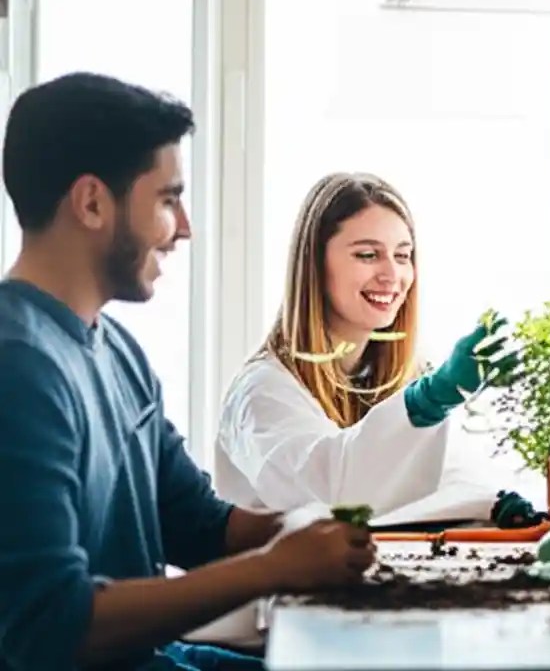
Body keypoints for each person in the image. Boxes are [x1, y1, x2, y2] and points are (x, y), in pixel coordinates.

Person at [0, 72, 374, 670]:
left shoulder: (117, 350)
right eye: (168, 199)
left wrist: (311, 529)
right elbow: (51, 627)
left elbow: (197, 524)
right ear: (92, 202)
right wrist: (277, 567)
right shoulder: (18, 368)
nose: (185, 228)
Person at [216, 172, 517, 516]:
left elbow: (445, 475)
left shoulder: (402, 374)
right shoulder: (262, 392)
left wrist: (490, 503)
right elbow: (331, 494)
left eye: (403, 256)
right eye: (367, 255)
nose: (392, 275)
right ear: (314, 264)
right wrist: (426, 402)